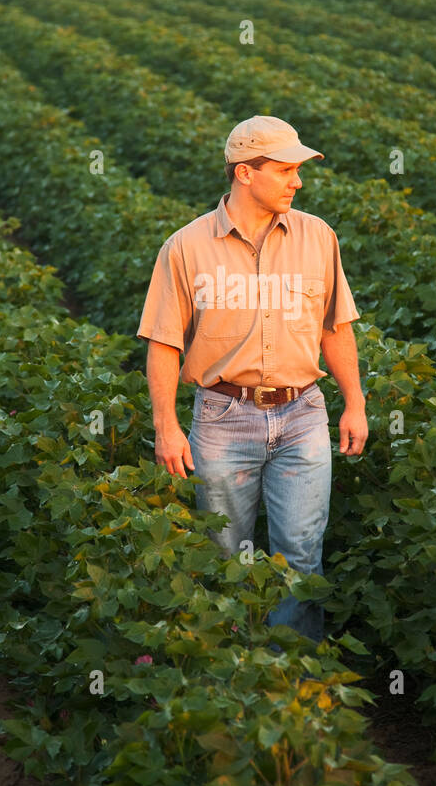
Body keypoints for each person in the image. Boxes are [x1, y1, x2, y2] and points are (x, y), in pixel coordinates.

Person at [136, 115, 368, 645]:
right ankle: (232, 673)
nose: (297, 181)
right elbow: (164, 343)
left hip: (303, 414)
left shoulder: (318, 238)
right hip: (221, 420)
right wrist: (166, 426)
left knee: (302, 555)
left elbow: (336, 328)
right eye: (285, 169)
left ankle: (293, 676)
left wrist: (354, 401)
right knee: (223, 555)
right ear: (244, 173)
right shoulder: (186, 247)